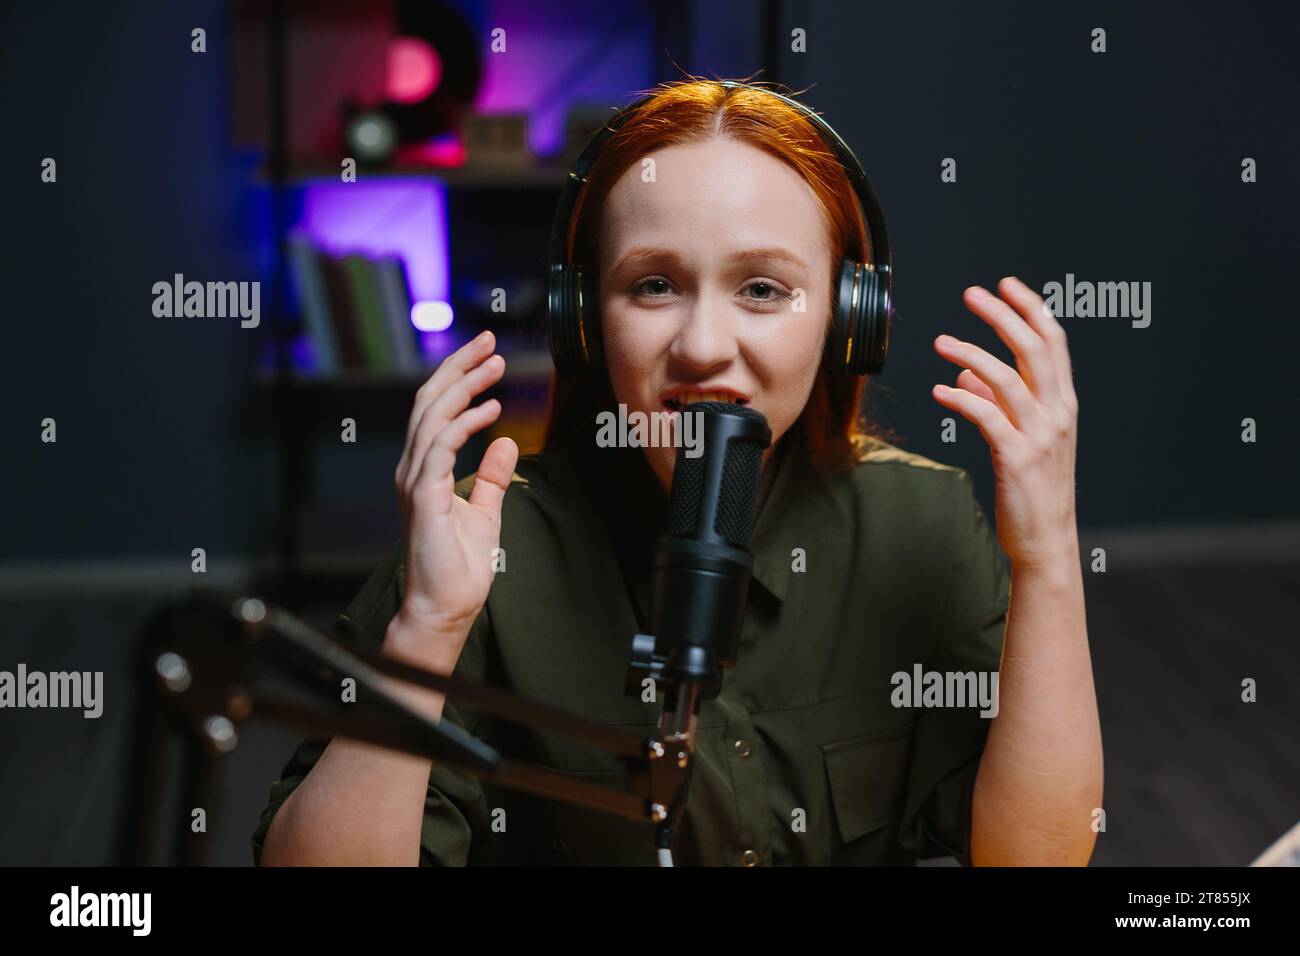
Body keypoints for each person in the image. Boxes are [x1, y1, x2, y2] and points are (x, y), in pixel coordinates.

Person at [254, 79, 1102, 867]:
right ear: (586, 322)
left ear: (847, 322)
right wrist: (428, 628)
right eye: (654, 285)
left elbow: (1039, 854)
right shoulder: (482, 543)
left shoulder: (925, 524)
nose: (702, 346)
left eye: (764, 289)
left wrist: (1050, 558)